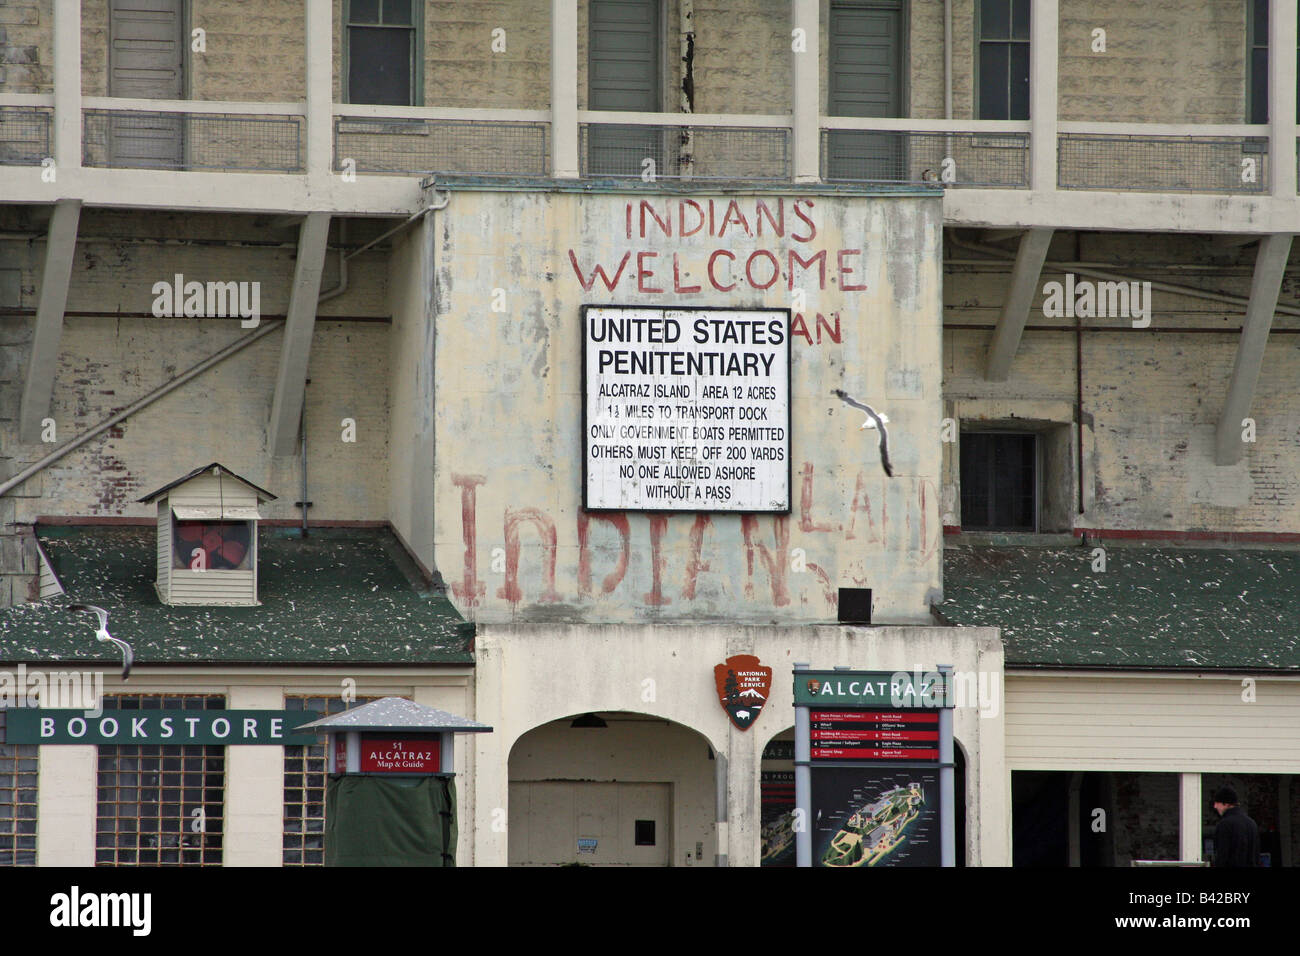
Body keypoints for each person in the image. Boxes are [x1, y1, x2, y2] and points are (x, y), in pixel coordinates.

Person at [1211, 785, 1258, 867]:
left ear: (1226, 804)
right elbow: (1256, 855)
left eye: (1217, 803)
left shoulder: (1224, 824)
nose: (1215, 806)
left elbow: (1222, 855)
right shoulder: (1252, 823)